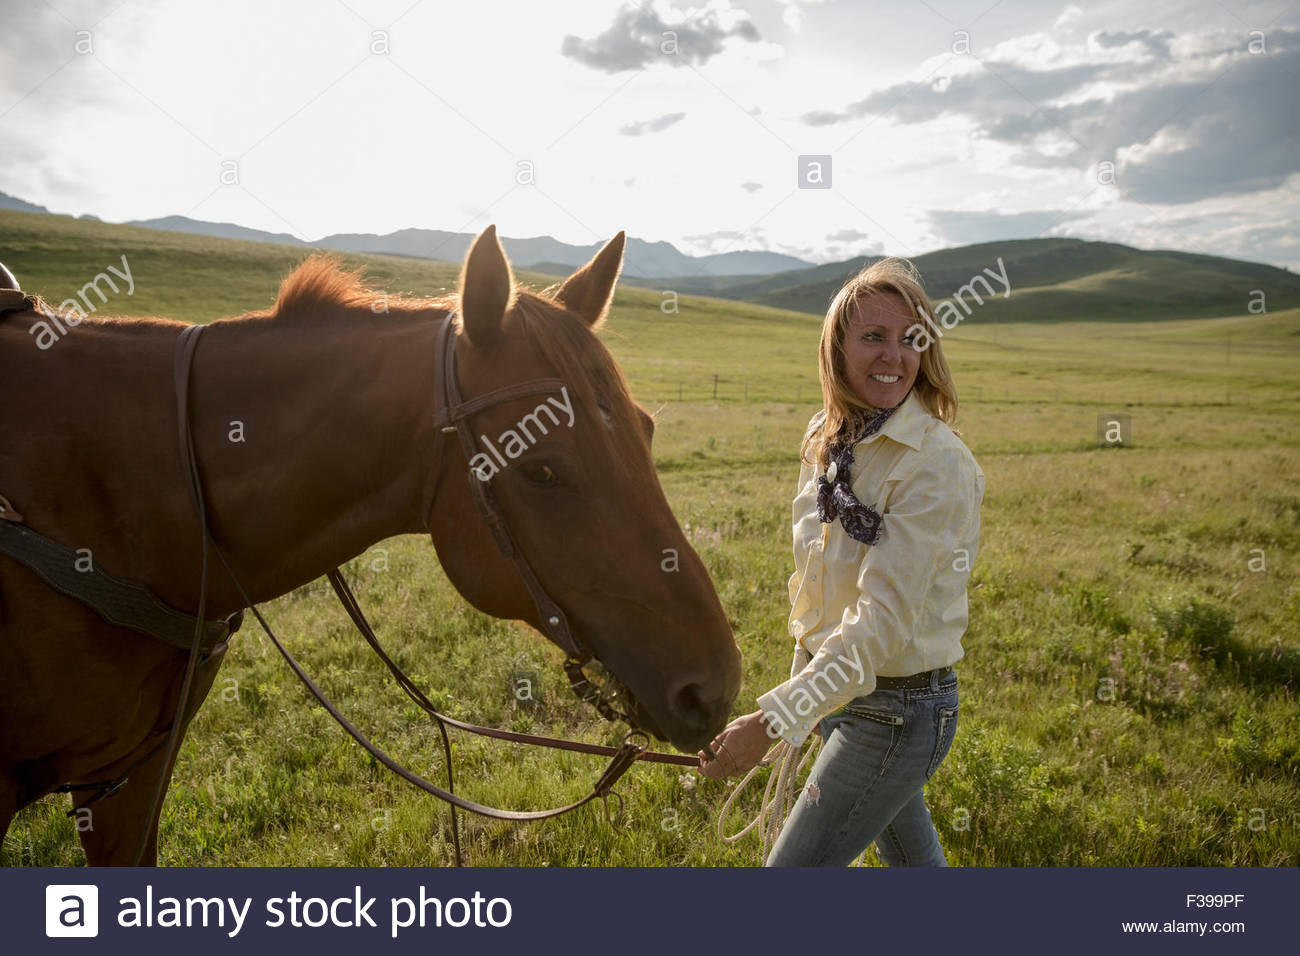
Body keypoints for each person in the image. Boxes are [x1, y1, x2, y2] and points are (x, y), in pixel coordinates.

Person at [698, 257, 985, 867]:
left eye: (910, 339)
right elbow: (816, 581)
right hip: (837, 696)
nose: (893, 356)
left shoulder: (935, 463)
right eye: (872, 337)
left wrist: (773, 721)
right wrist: (805, 691)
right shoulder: (825, 437)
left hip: (898, 713)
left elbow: (879, 624)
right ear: (836, 349)